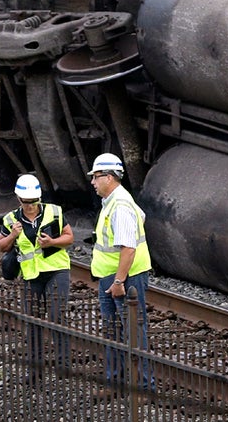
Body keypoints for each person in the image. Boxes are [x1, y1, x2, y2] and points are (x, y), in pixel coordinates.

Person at [0, 173, 73, 386]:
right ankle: (35, 371)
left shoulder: (54, 212)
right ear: (18, 199)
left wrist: (52, 242)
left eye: (33, 201)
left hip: (57, 270)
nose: (30, 206)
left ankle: (63, 368)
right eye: (26, 202)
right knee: (33, 322)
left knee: (57, 317)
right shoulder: (11, 219)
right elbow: (1, 245)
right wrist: (13, 235)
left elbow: (69, 237)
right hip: (31, 275)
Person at [88, 152, 153, 400]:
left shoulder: (121, 206)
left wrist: (119, 281)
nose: (93, 182)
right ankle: (115, 382)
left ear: (109, 177)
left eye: (96, 177)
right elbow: (142, 217)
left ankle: (144, 388)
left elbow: (128, 248)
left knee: (134, 332)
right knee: (112, 330)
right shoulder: (115, 201)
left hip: (125, 279)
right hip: (111, 276)